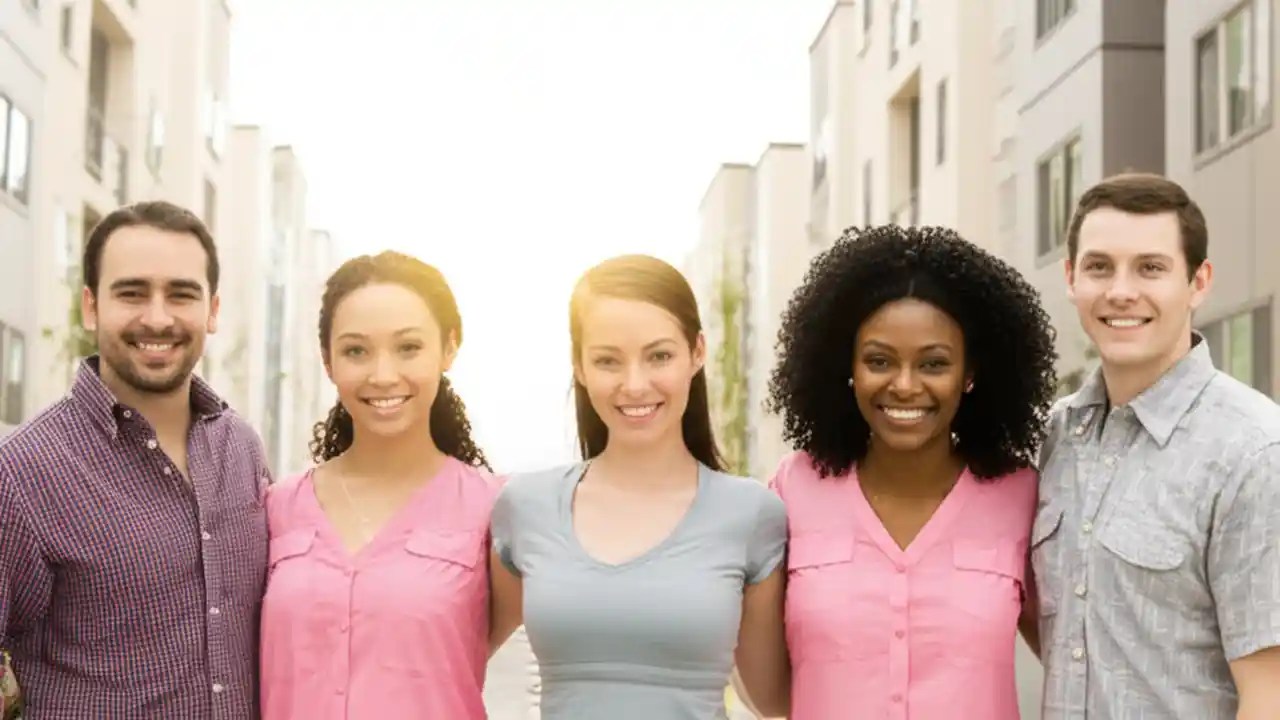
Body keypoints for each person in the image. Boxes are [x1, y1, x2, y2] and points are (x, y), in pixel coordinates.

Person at [766, 225, 1057, 718]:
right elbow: (760, 682)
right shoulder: (793, 489)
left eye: (934, 364)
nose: (904, 385)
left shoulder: (1023, 496)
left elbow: (1074, 658)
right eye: (880, 360)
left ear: (969, 375)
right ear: (849, 367)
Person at [487, 254, 790, 719]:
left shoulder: (752, 514)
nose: (634, 384)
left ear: (697, 352)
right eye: (608, 360)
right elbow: (446, 659)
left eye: (659, 356)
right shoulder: (526, 508)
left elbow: (774, 700)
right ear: (580, 366)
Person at [0, 201, 270, 718]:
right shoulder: (22, 473)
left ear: (212, 310)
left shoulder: (243, 450)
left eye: (181, 294)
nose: (157, 317)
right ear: (91, 305)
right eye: (131, 292)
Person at [1034, 172, 1280, 719]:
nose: (1121, 291)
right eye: (1099, 267)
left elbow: (1271, 695)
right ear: (1071, 278)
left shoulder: (1256, 451)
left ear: (1198, 281)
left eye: (1151, 267)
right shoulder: (1056, 439)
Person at [259, 251, 500, 719]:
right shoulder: (275, 507)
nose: (383, 374)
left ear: (449, 348)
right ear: (328, 362)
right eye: (356, 351)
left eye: (408, 347)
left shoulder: (497, 510)